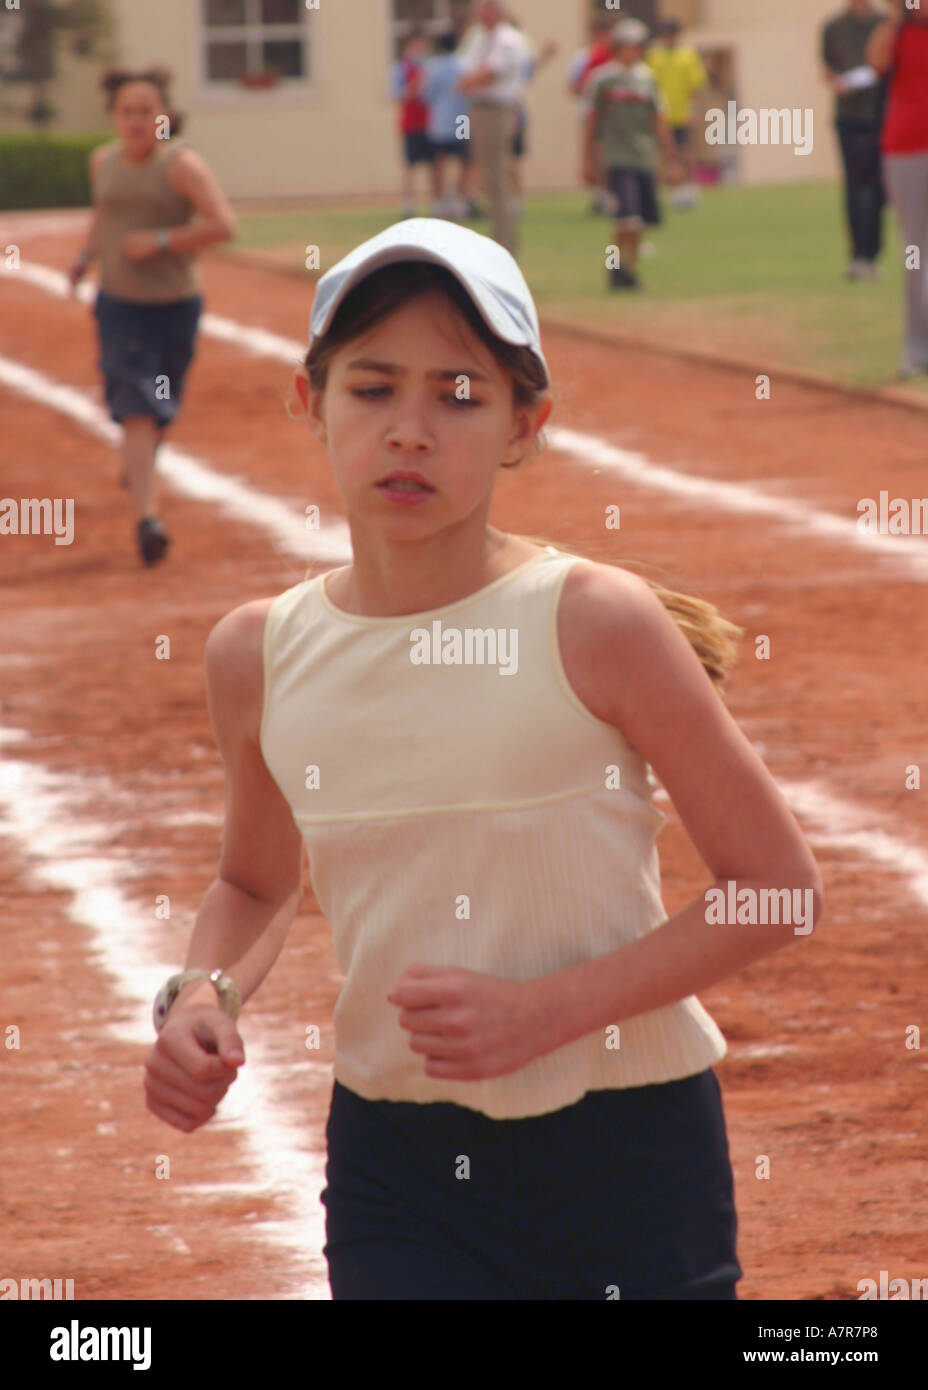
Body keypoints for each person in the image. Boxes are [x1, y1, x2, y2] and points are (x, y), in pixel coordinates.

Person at [143, 216, 823, 1301]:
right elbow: (254, 880)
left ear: (525, 422)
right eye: (372, 388)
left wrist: (549, 1009)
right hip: (396, 1162)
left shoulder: (596, 621)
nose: (411, 429)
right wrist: (199, 994)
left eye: (458, 393)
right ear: (308, 400)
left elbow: (777, 891)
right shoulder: (257, 652)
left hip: (626, 1156)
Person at [67, 66, 236, 566]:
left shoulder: (181, 166)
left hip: (175, 307)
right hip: (120, 306)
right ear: (114, 117)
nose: (137, 120)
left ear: (164, 117)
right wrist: (83, 258)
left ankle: (140, 458)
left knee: (163, 404)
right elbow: (104, 214)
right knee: (137, 404)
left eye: (146, 110)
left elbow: (224, 224)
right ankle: (149, 519)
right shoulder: (104, 162)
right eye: (127, 111)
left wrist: (160, 241)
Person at [584, 19, 677, 290]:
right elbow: (591, 121)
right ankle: (615, 269)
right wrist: (589, 158)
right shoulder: (603, 79)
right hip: (617, 157)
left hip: (643, 157)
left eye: (639, 46)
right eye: (630, 45)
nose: (635, 51)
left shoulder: (647, 79)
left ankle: (629, 272)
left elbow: (659, 120)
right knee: (626, 219)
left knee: (641, 223)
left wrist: (670, 156)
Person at [867, 0, 928, 377]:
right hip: (905, 147)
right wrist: (894, 17)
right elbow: (876, 62)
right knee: (915, 251)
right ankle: (916, 350)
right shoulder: (897, 31)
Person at [458, 0, 532, 256]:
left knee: (497, 177)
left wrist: (470, 81)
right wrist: (469, 81)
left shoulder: (507, 39)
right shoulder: (479, 39)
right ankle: (499, 236)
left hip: (497, 109)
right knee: (488, 177)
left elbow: (489, 73)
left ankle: (505, 242)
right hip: (480, 108)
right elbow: (465, 72)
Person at [821, 1, 888, 280]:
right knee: (855, 187)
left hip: (881, 116)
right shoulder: (833, 27)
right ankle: (859, 255)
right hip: (850, 117)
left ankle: (872, 253)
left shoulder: (885, 24)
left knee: (879, 190)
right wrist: (837, 82)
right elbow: (827, 66)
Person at [646, 18, 708, 209]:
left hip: (682, 113)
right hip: (660, 115)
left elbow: (696, 84)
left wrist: (692, 109)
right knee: (664, 153)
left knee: (686, 151)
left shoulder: (688, 55)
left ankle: (688, 188)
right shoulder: (653, 55)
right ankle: (663, 191)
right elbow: (649, 84)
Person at [504, 13, 558, 219]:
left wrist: (545, 55)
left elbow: (528, 71)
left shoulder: (518, 55)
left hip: (515, 112)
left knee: (513, 159)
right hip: (500, 113)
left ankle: (516, 200)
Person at [422, 30, 477, 220]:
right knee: (466, 162)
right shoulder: (464, 65)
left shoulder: (433, 67)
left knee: (439, 162)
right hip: (462, 120)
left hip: (439, 121)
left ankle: (439, 203)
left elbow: (426, 95)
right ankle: (461, 200)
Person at [569, 15, 614, 216]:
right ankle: (600, 194)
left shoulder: (615, 54)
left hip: (613, 114)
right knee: (594, 154)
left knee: (608, 154)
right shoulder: (585, 56)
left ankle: (610, 194)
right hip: (591, 112)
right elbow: (574, 86)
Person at [391, 29, 434, 219]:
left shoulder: (430, 66)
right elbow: (398, 95)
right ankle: (407, 203)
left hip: (430, 123)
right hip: (411, 123)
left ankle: (435, 202)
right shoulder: (401, 68)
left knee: (433, 165)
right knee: (410, 165)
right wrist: (415, 86)